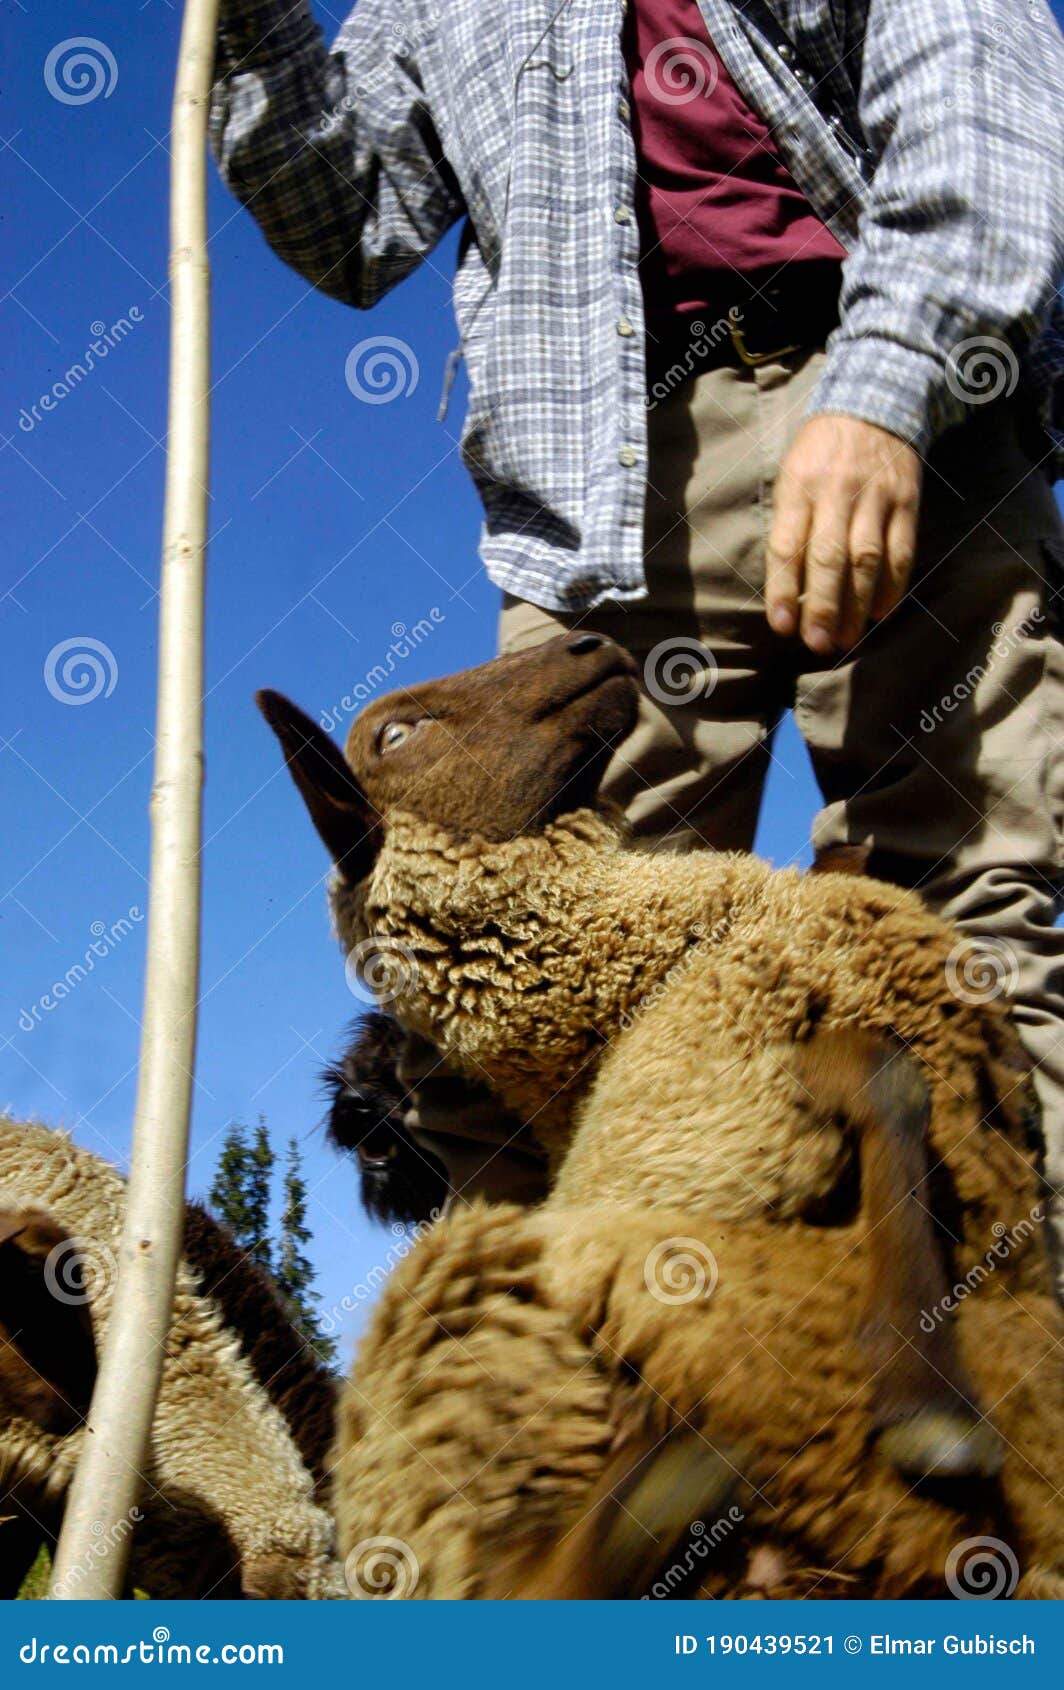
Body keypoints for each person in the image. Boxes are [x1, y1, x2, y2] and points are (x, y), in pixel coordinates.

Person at [211, 1, 1064, 1278]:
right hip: (599, 466)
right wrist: (253, 26)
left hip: (895, 378)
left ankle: (989, 1383)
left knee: (965, 922)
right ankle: (545, 1422)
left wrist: (890, 383)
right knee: (525, 972)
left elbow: (975, 95)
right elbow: (350, 219)